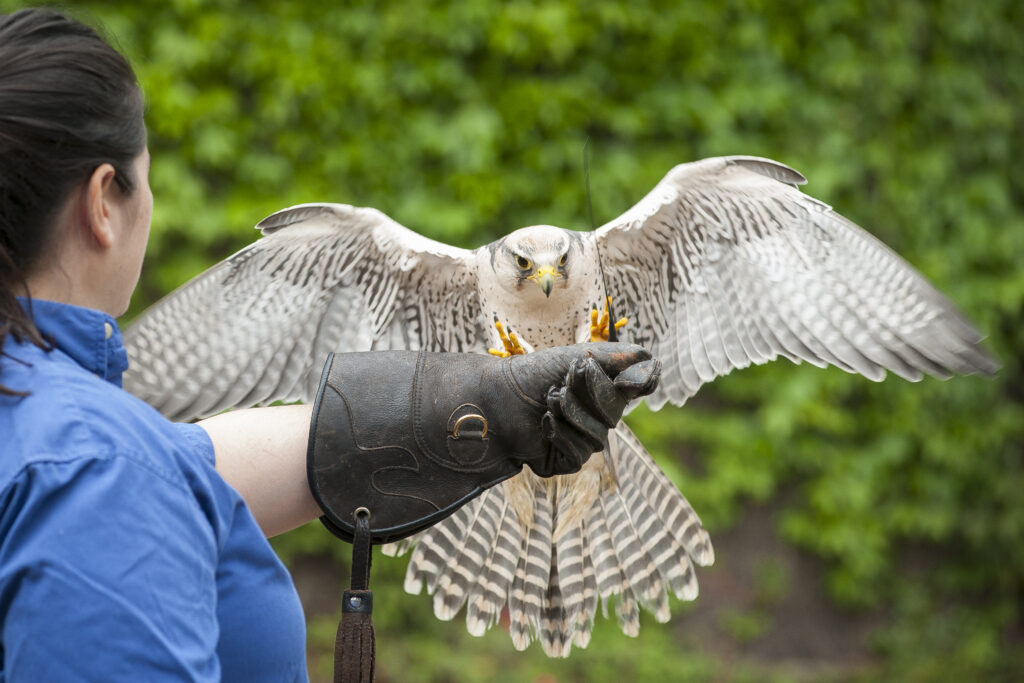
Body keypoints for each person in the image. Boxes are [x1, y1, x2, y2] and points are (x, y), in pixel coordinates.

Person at [0, 9, 659, 682]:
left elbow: (185, 466)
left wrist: (477, 405)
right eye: (149, 176)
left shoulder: (56, 427)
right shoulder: (95, 470)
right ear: (104, 201)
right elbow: (114, 476)